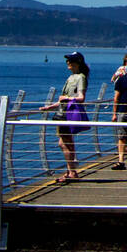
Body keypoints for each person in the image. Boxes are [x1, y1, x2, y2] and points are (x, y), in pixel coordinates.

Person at [40, 52, 89, 182]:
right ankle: (70, 171)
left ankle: (72, 171)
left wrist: (66, 98)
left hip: (68, 114)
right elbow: (62, 99)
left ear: (77, 63)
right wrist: (50, 107)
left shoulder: (80, 77)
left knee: (64, 143)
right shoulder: (71, 77)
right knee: (67, 143)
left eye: (71, 60)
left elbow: (81, 98)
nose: (68, 62)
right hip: (62, 113)